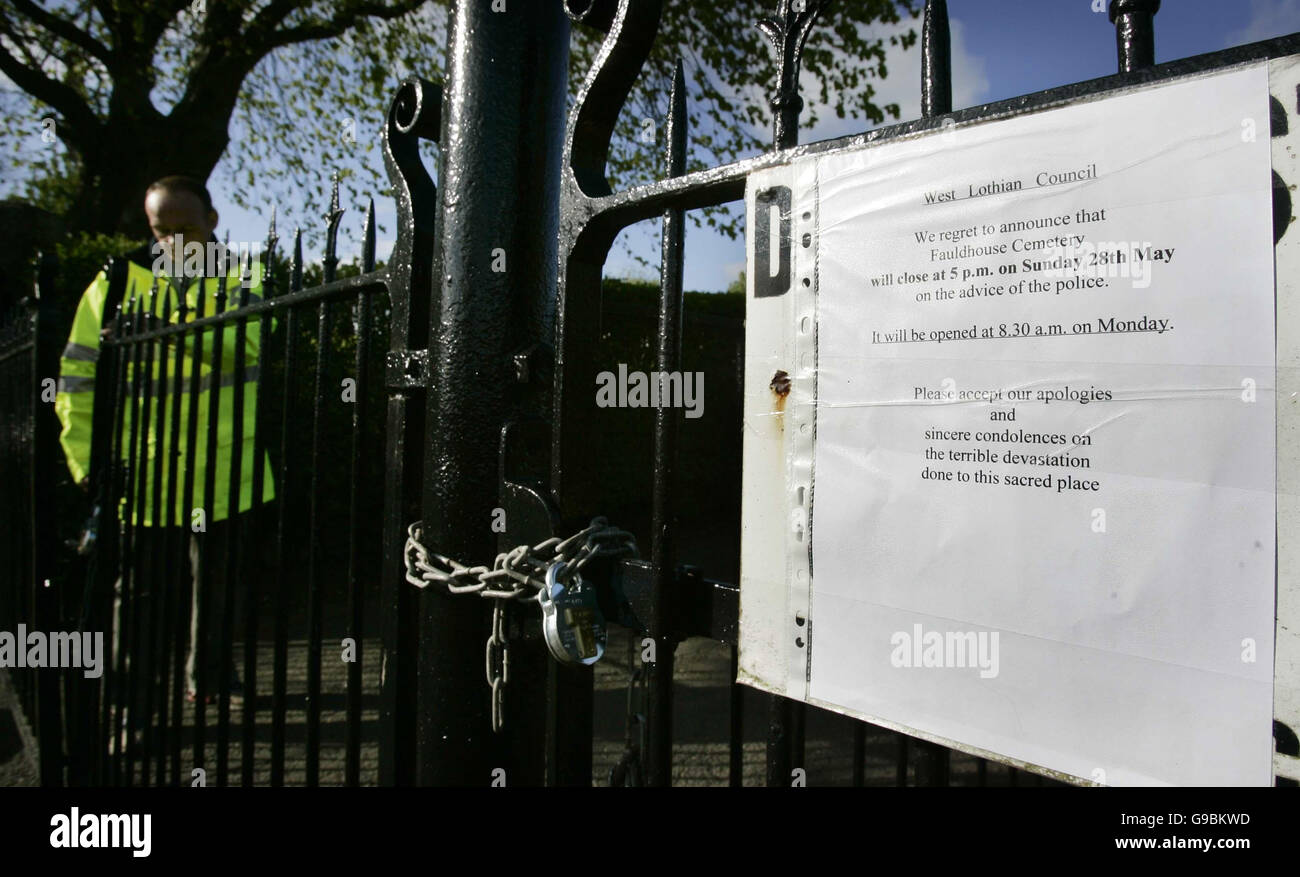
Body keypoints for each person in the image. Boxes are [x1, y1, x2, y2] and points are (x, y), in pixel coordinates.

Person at [55, 176, 275, 721]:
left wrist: (164, 330)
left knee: (220, 590)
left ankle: (213, 679)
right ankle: (135, 711)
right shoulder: (115, 279)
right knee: (138, 602)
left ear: (213, 222)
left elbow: (248, 347)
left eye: (187, 229)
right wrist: (81, 458)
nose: (175, 242)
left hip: (228, 469)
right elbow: (76, 375)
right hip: (146, 474)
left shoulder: (244, 272)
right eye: (162, 231)